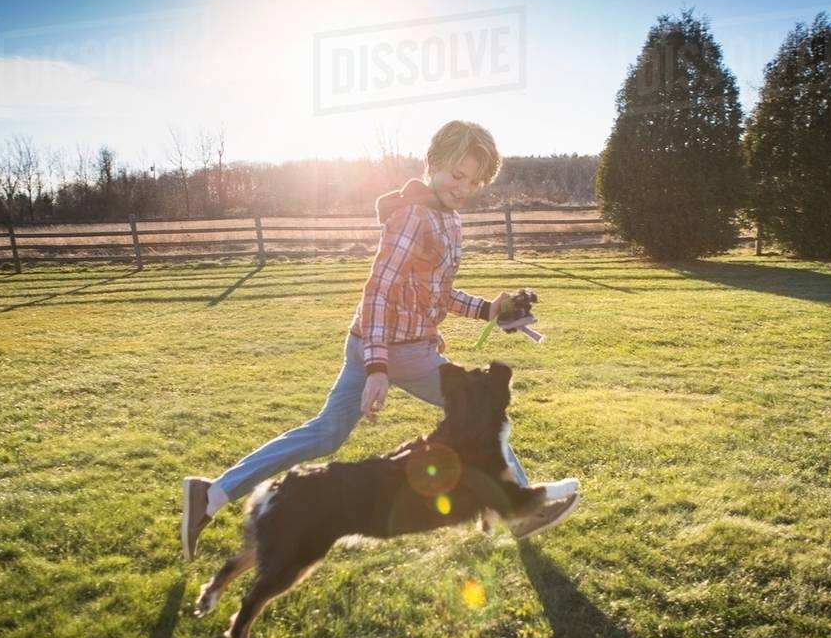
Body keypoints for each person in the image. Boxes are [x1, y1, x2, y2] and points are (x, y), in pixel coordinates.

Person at [181, 120, 581, 562]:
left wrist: (490, 309)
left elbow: (437, 293)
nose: (463, 187)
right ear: (434, 164)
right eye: (456, 174)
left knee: (326, 433)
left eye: (474, 180)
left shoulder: (446, 218)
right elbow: (379, 293)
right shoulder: (413, 216)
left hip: (373, 343)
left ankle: (212, 495)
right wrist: (379, 368)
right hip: (396, 351)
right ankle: (516, 508)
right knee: (484, 408)